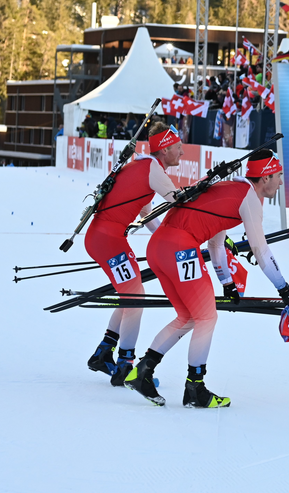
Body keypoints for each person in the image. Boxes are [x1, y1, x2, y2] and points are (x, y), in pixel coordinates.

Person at [126, 150, 289, 408]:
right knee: (206, 317)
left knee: (189, 317)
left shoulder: (231, 189)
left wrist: (227, 283)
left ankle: (142, 372)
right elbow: (261, 250)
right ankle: (195, 389)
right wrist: (285, 291)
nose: (281, 182)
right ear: (266, 176)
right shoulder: (249, 199)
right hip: (179, 250)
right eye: (279, 176)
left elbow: (216, 243)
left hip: (158, 248)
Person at [83, 122, 182, 385]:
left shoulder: (143, 166)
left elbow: (147, 214)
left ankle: (105, 351)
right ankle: (125, 366)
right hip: (109, 241)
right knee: (135, 298)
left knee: (130, 296)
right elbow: (179, 203)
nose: (182, 153)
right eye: (178, 147)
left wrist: (165, 238)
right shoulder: (152, 169)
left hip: (105, 238)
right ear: (165, 149)